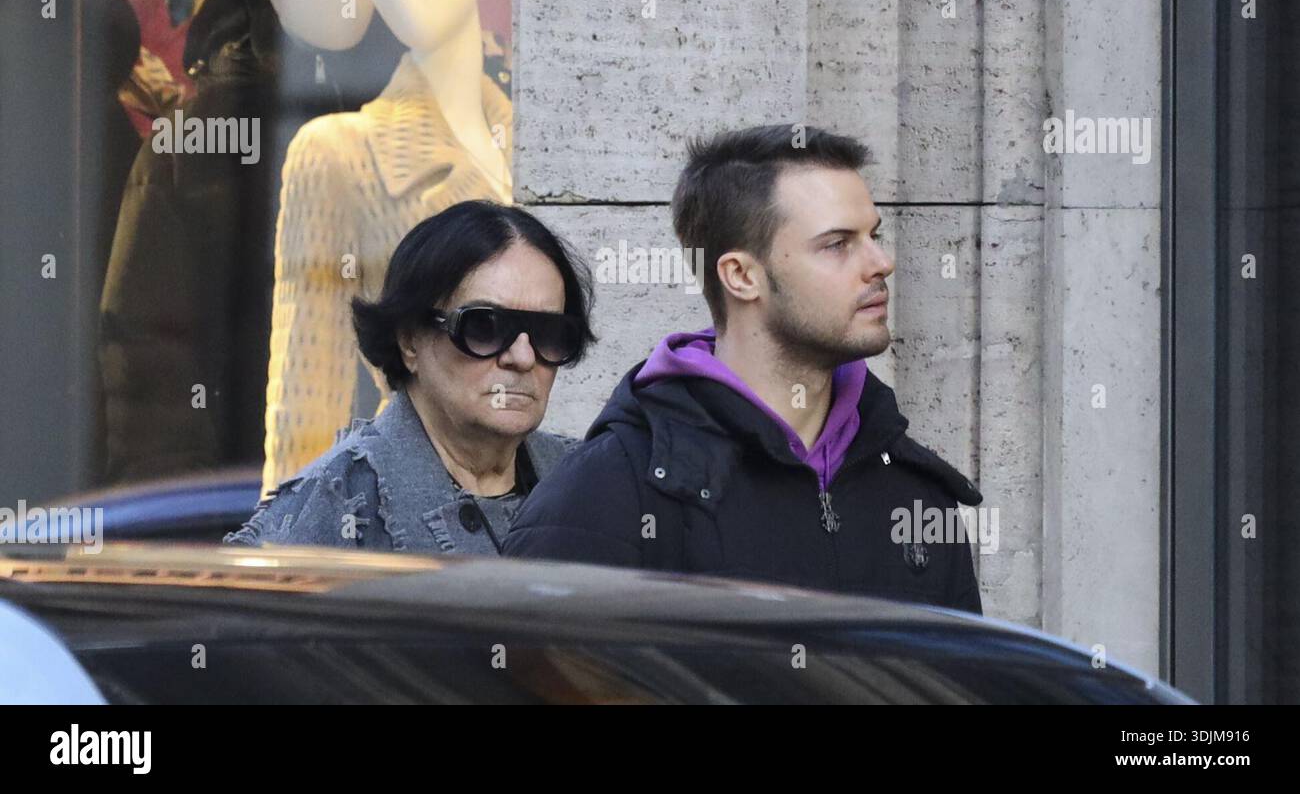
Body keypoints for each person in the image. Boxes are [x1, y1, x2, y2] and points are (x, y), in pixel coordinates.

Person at [504, 125, 984, 613]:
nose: (882, 262)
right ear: (741, 276)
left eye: (873, 236)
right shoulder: (607, 496)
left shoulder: (916, 495)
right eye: (837, 244)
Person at [225, 201, 593, 554]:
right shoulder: (336, 505)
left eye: (548, 333)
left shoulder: (589, 481)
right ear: (410, 341)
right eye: (484, 327)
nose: (523, 357)